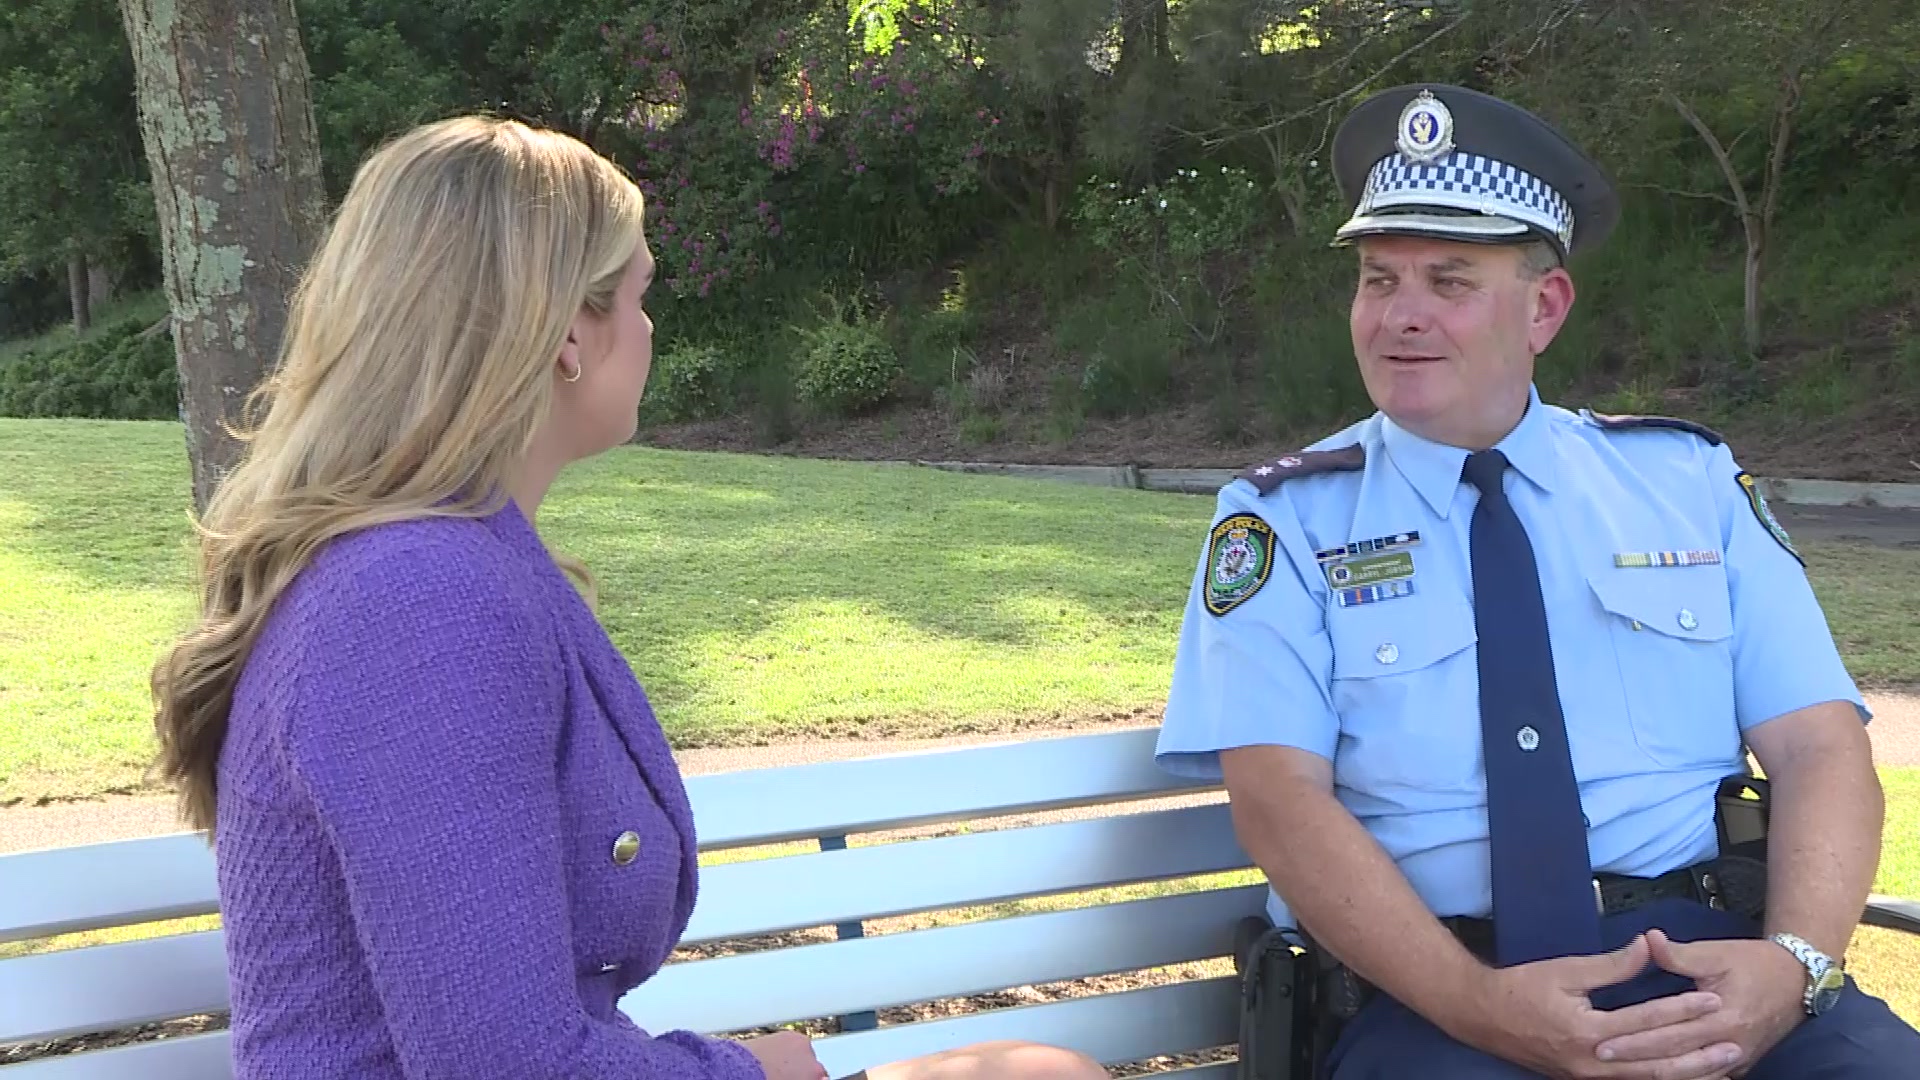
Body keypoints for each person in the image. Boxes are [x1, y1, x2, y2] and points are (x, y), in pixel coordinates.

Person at [148, 115, 1107, 1080]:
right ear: (570, 332)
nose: (649, 329)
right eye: (640, 296)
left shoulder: (441, 562)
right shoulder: (415, 600)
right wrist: (749, 1073)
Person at [1154, 83, 1920, 1079]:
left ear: (1544, 306)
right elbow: (1279, 803)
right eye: (1379, 281)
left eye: (1449, 281)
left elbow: (1820, 746)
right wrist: (1477, 1004)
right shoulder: (1283, 523)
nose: (1402, 316)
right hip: (1439, 994)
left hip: (1713, 965)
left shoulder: (1684, 483)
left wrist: (1796, 967)